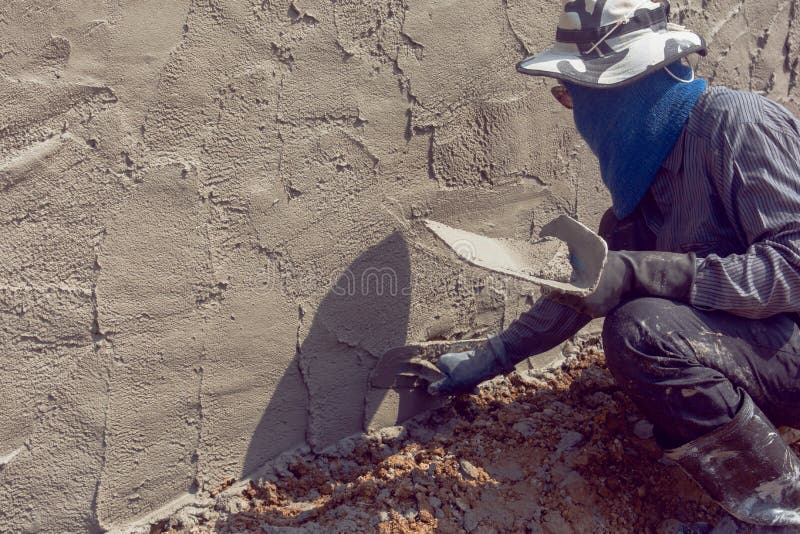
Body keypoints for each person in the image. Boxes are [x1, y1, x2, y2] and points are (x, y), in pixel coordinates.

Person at [427, 0, 800, 527]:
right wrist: (490, 359)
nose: (574, 109)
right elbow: (586, 290)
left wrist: (649, 272)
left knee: (642, 330)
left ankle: (782, 508)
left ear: (630, 83)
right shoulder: (643, 187)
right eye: (565, 95)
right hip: (775, 356)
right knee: (645, 334)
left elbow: (794, 269)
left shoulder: (737, 125)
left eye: (575, 93)